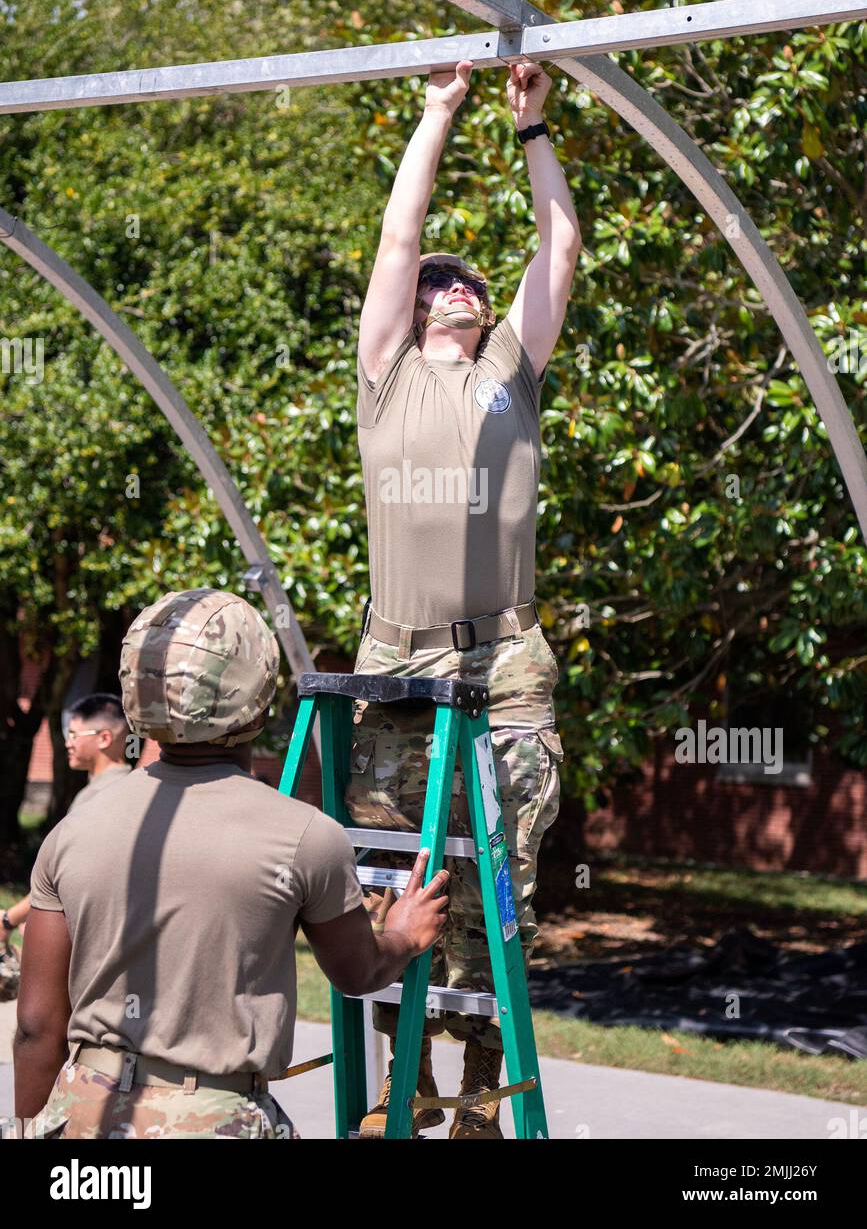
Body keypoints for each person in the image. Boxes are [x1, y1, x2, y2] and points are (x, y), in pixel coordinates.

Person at [347, 57, 581, 1138]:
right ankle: (408, 1088)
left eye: (468, 283)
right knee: (400, 888)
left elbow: (559, 251)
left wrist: (532, 125)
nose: (454, 286)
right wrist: (440, 113)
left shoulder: (508, 379)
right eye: (440, 281)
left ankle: (483, 1103)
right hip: (398, 674)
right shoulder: (387, 372)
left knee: (498, 896)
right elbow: (400, 242)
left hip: (503, 669)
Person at [14, 587, 448, 1139]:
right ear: (259, 697)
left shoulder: (71, 832)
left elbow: (36, 1028)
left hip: (80, 1114)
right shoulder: (307, 835)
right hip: (212, 1119)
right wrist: (405, 937)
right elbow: (357, 972)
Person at [1, 693, 133, 969]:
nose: (68, 743)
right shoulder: (126, 788)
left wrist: (10, 919)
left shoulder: (100, 797)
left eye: (74, 734)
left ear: (104, 739)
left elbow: (64, 879)